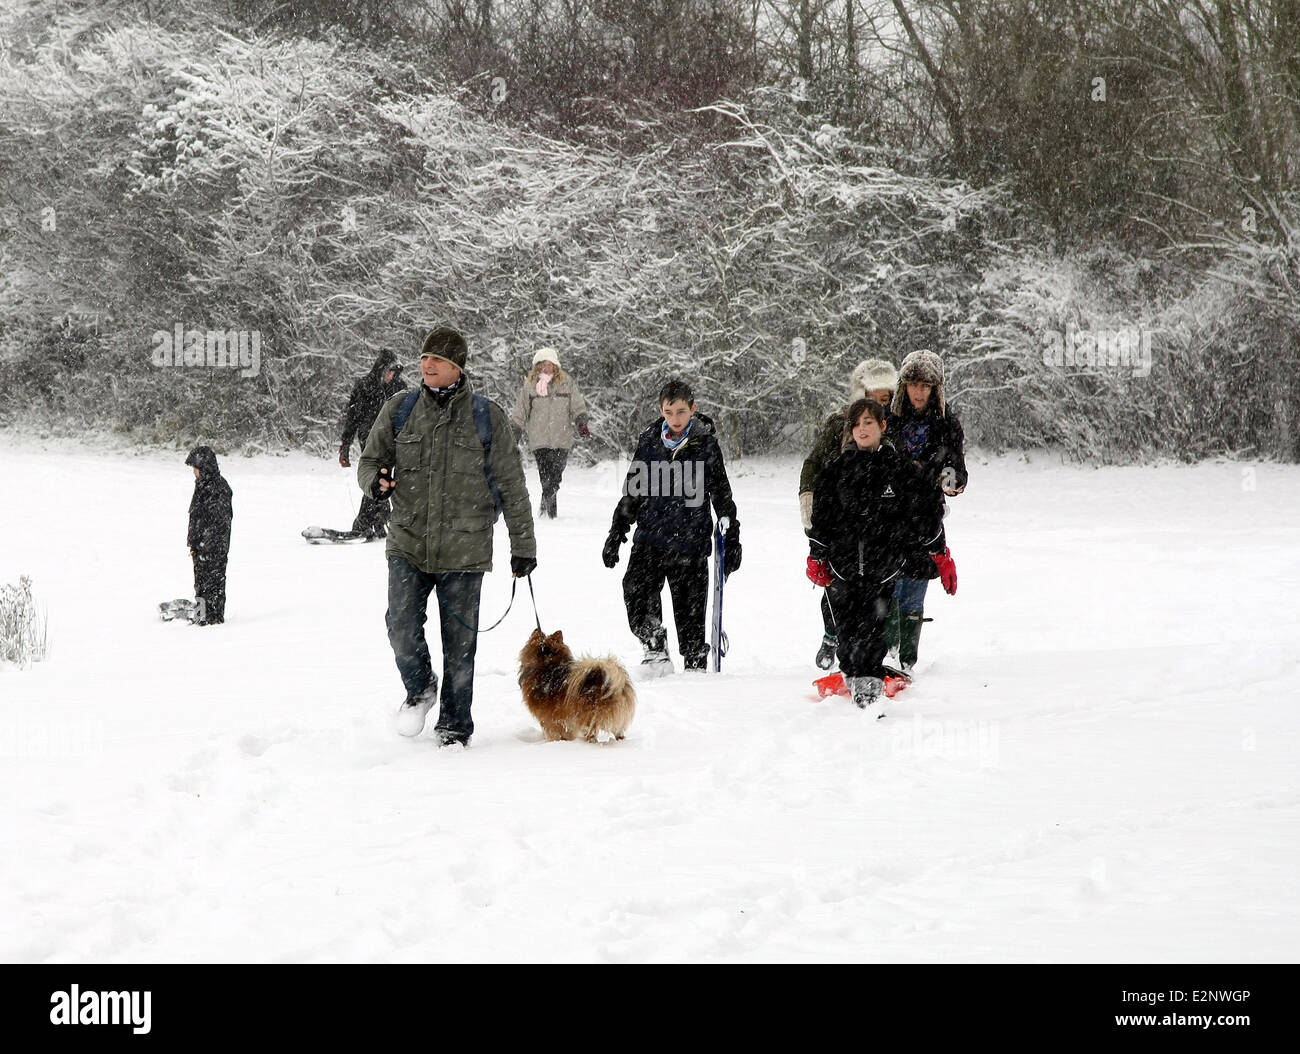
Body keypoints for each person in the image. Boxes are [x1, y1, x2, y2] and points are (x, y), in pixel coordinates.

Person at [358, 327, 536, 748]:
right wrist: (375, 482)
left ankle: (455, 727)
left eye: (435, 360)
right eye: (423, 359)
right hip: (408, 542)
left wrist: (523, 547)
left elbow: (512, 486)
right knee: (400, 625)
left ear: (457, 367)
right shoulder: (399, 409)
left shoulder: (485, 417)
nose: (426, 366)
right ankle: (419, 688)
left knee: (460, 649)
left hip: (465, 549)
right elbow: (369, 460)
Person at [806, 399, 955, 708]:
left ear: (882, 427)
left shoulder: (898, 469)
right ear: (850, 429)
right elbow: (822, 518)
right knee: (846, 628)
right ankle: (851, 672)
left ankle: (870, 683)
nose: (863, 429)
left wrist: (940, 553)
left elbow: (923, 513)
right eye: (857, 424)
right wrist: (816, 556)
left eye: (869, 423)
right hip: (842, 564)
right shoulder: (836, 470)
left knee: (874, 627)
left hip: (882, 565)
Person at [602, 379, 740, 673]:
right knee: (635, 590)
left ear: (693, 409)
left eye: (681, 411)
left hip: (690, 543)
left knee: (690, 613)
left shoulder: (706, 445)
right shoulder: (650, 442)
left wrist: (733, 537)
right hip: (650, 538)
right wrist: (617, 532)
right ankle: (654, 646)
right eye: (669, 412)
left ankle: (694, 663)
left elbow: (722, 495)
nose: (675, 419)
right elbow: (633, 492)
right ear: (660, 410)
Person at [798, 359, 898, 670]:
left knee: (877, 596)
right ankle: (834, 636)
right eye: (874, 393)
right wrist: (810, 502)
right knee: (836, 588)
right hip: (838, 516)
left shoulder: (892, 426)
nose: (881, 401)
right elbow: (814, 464)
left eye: (886, 396)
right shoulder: (840, 423)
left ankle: (876, 654)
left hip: (879, 528)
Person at [885, 349, 968, 674]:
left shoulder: (947, 424)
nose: (919, 392)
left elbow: (956, 468)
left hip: (926, 517)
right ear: (904, 386)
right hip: (888, 517)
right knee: (889, 587)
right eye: (914, 384)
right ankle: (886, 654)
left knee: (915, 586)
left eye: (926, 385)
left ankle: (907, 661)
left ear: (936, 389)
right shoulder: (887, 420)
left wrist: (952, 480)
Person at [509, 347, 591, 519]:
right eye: (543, 365)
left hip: (562, 438)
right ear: (537, 367)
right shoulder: (530, 386)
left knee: (556, 475)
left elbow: (577, 405)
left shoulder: (566, 383)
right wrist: (515, 432)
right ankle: (550, 513)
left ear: (555, 366)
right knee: (546, 476)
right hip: (540, 439)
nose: (546, 368)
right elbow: (520, 411)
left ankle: (545, 507)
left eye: (550, 364)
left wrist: (581, 422)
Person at [339, 349, 407, 538]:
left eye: (393, 372)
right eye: (388, 371)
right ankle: (369, 521)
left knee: (384, 478)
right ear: (380, 369)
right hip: (369, 439)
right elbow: (352, 417)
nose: (390, 376)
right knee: (377, 476)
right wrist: (345, 444)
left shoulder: (399, 388)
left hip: (393, 439)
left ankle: (374, 520)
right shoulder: (364, 386)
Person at [185, 446, 233, 626]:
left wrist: (206, 546)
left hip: (214, 551)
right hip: (201, 549)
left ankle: (213, 620)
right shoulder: (202, 485)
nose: (194, 473)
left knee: (213, 586)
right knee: (200, 586)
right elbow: (197, 516)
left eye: (196, 468)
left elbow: (219, 523)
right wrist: (195, 544)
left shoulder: (218, 489)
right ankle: (201, 617)